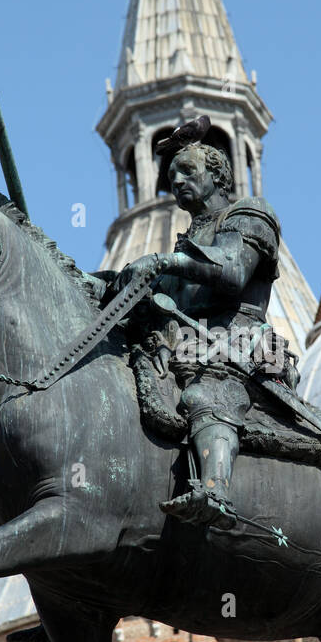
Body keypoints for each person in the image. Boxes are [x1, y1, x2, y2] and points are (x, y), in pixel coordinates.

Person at [109, 125, 288, 528]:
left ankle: (215, 491)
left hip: (238, 344)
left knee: (206, 395)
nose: (176, 180)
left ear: (218, 175)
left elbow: (232, 271)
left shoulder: (250, 214)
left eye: (188, 171)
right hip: (187, 346)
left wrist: (164, 262)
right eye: (172, 175)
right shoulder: (185, 241)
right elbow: (153, 299)